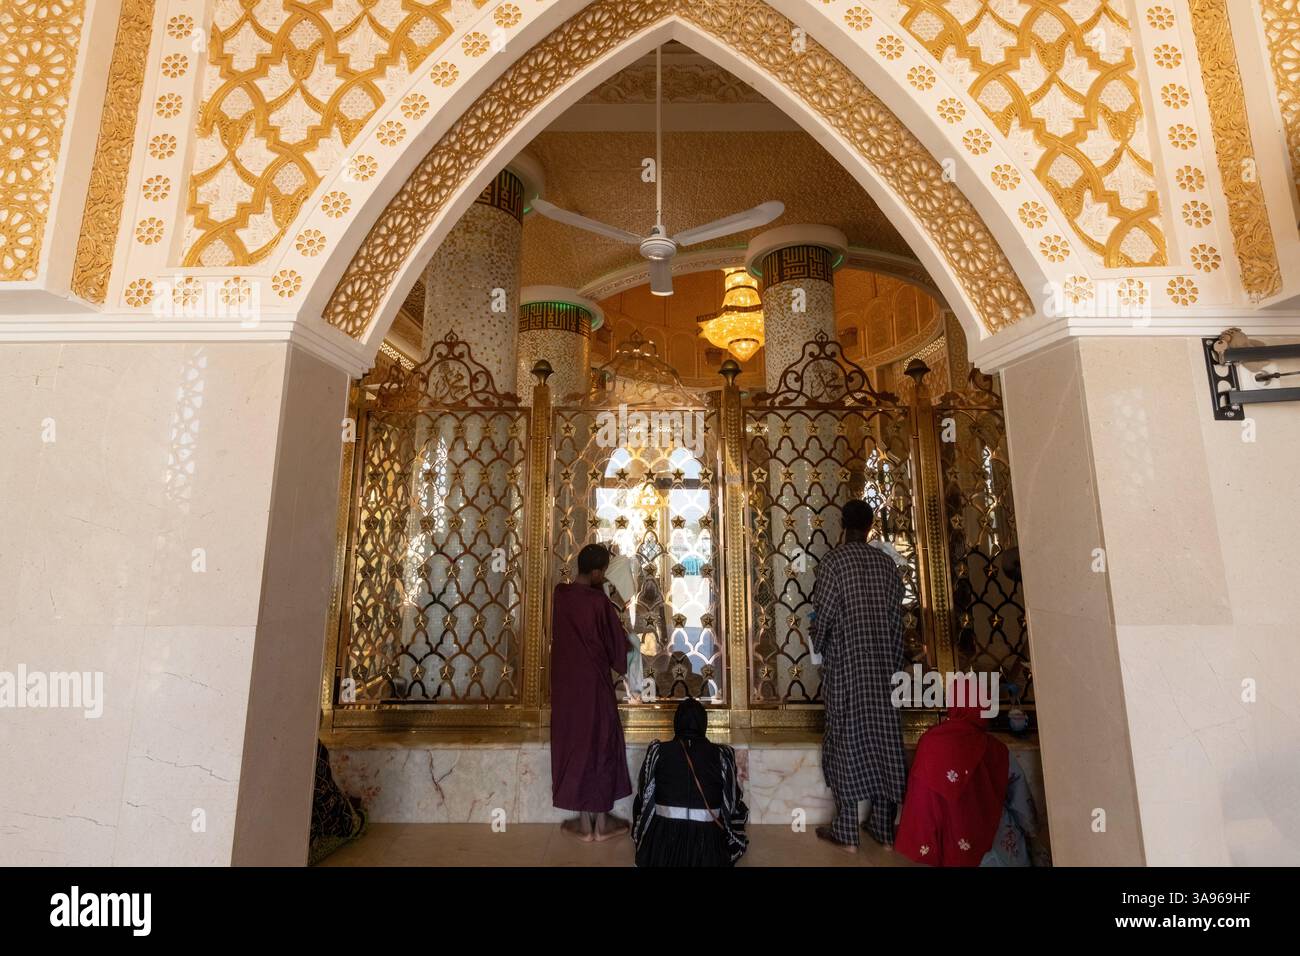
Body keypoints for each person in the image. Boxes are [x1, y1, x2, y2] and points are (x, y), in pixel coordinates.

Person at [810, 499, 908, 853]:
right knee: (885, 741)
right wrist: (896, 667)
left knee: (846, 738)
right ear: (870, 527)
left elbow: (824, 616)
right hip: (884, 671)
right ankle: (884, 830)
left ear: (842, 525)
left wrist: (819, 650)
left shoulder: (834, 563)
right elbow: (898, 623)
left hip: (847, 670)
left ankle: (847, 831)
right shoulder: (886, 564)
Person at [550, 543, 633, 841]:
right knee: (599, 746)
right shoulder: (598, 604)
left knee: (575, 746)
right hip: (594, 688)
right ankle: (601, 824)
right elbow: (616, 650)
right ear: (597, 572)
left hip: (565, 691)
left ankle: (584, 824)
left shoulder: (561, 595)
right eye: (604, 571)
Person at [894, 699, 1040, 866]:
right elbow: (1019, 794)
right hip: (992, 837)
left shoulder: (929, 741)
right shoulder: (996, 749)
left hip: (947, 836)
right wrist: (1032, 831)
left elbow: (920, 796)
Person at [630, 698, 748, 866]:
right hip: (707, 850)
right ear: (703, 723)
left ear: (676, 722)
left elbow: (644, 796)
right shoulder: (722, 754)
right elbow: (732, 800)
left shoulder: (658, 751)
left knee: (640, 801)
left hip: (663, 849)